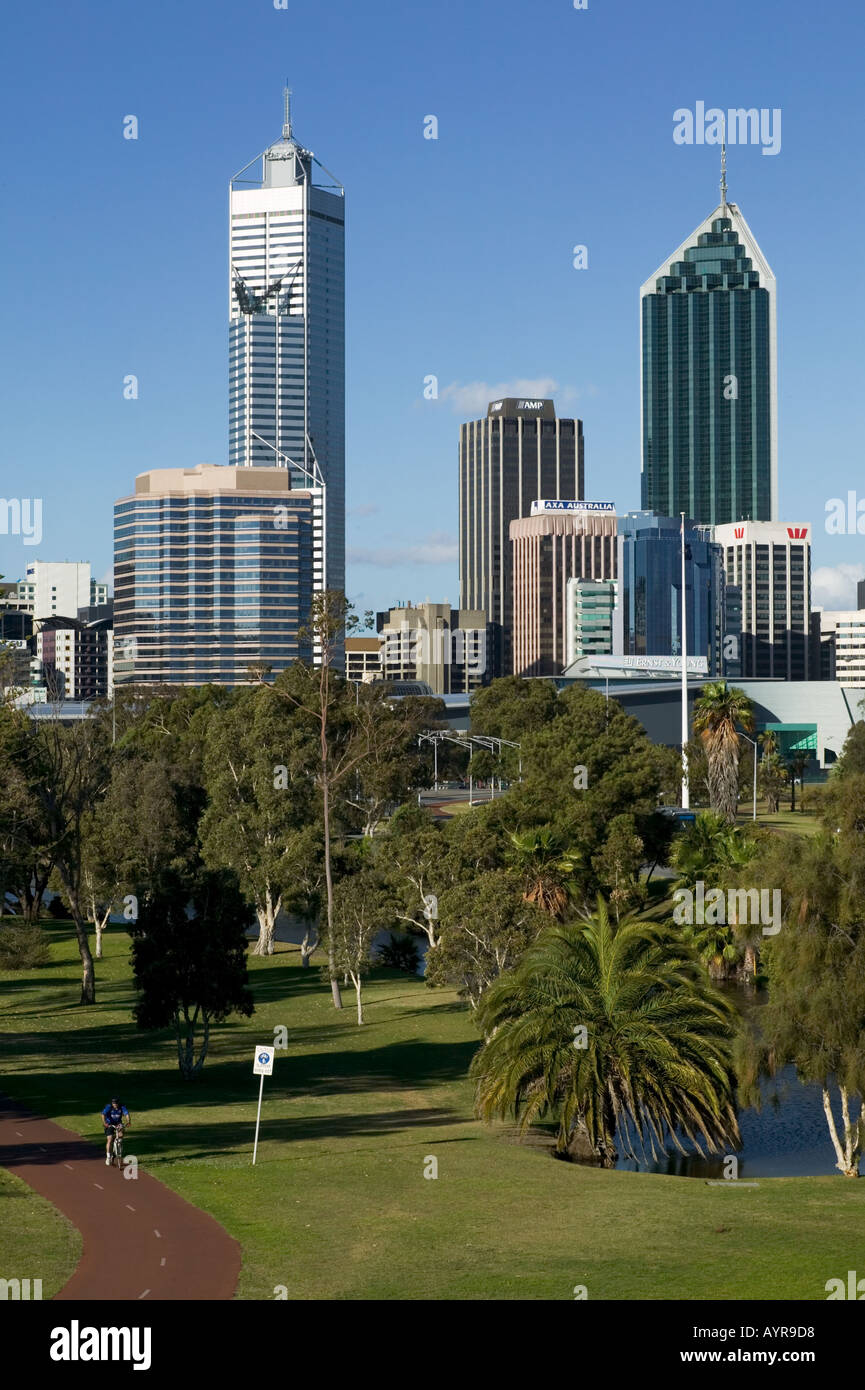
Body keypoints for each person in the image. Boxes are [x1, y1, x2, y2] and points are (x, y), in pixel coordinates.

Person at [101, 1097, 131, 1165]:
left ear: (118, 1103)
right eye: (113, 1103)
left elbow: (126, 1114)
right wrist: (105, 1123)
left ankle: (116, 1150)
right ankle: (108, 1157)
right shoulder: (109, 1107)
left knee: (121, 1135)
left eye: (116, 1103)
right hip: (109, 1124)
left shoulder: (122, 1107)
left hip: (118, 1123)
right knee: (110, 1139)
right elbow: (103, 1114)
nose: (115, 1105)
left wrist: (128, 1121)